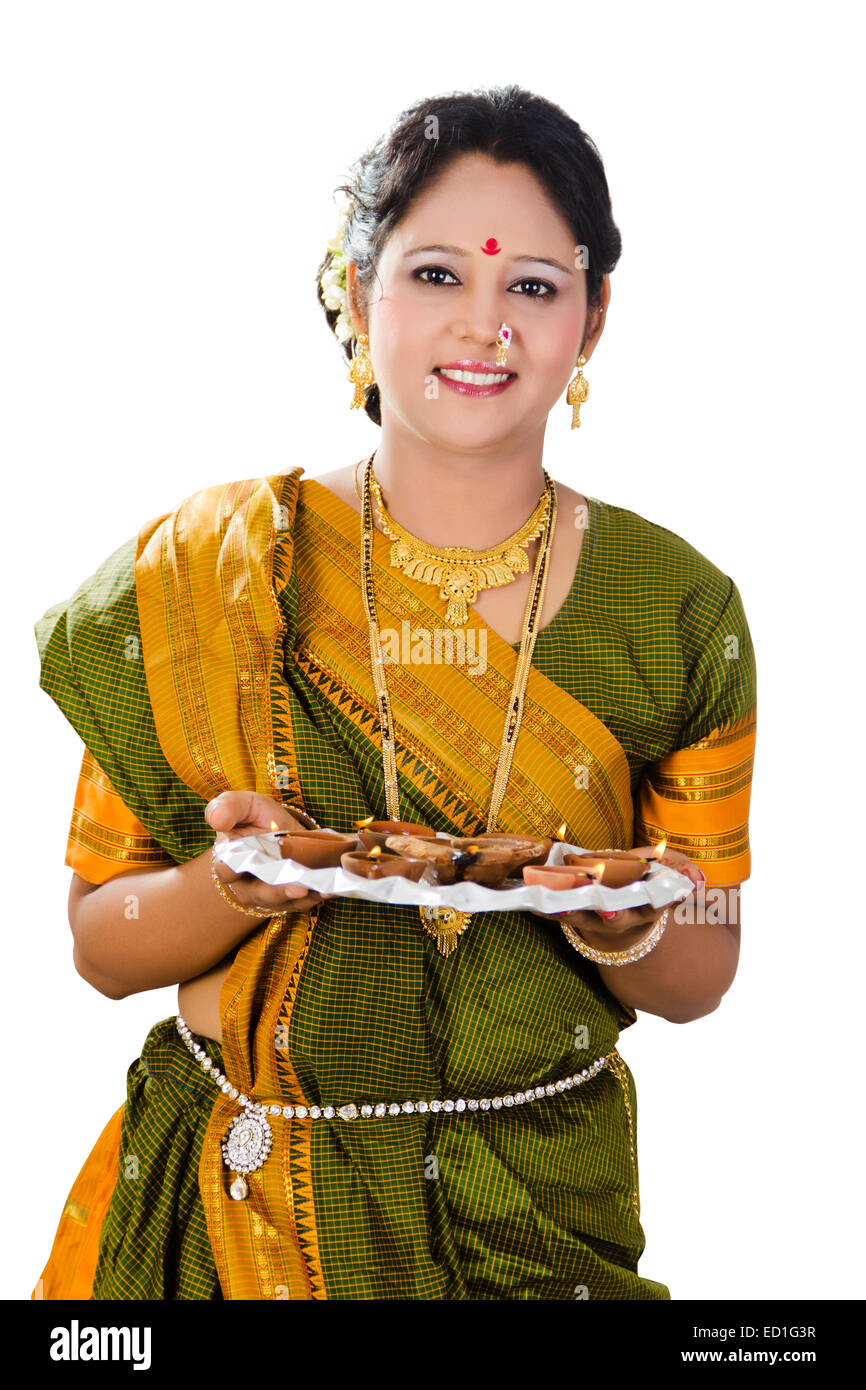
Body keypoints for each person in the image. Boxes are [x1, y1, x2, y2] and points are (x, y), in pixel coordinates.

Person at [31, 84, 756, 1301]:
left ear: (592, 318)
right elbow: (101, 945)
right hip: (240, 1214)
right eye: (434, 276)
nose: (484, 325)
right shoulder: (205, 576)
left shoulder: (672, 606)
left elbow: (706, 964)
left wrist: (619, 912)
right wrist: (228, 885)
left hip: (535, 1218)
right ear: (356, 295)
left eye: (532, 284)